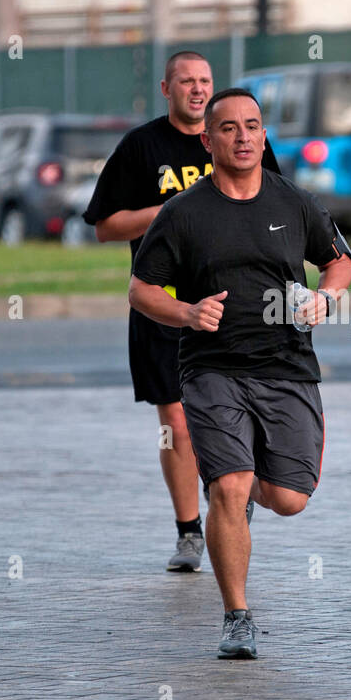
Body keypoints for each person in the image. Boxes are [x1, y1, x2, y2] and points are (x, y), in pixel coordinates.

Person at [128, 87, 351, 659]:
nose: (244, 137)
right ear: (208, 141)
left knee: (290, 499)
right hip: (212, 370)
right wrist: (186, 312)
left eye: (253, 126)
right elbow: (140, 289)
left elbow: (339, 260)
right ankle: (237, 616)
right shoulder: (184, 213)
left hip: (288, 368)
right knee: (227, 489)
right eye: (229, 128)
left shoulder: (293, 202)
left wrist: (326, 299)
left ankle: (246, 485)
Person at [84, 51, 279, 573]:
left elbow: (275, 204)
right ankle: (190, 530)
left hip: (238, 305)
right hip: (166, 305)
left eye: (205, 81)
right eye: (186, 82)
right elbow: (105, 226)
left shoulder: (240, 137)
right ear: (167, 88)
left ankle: (233, 496)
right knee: (177, 420)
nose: (197, 89)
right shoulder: (141, 147)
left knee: (248, 408)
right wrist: (173, 208)